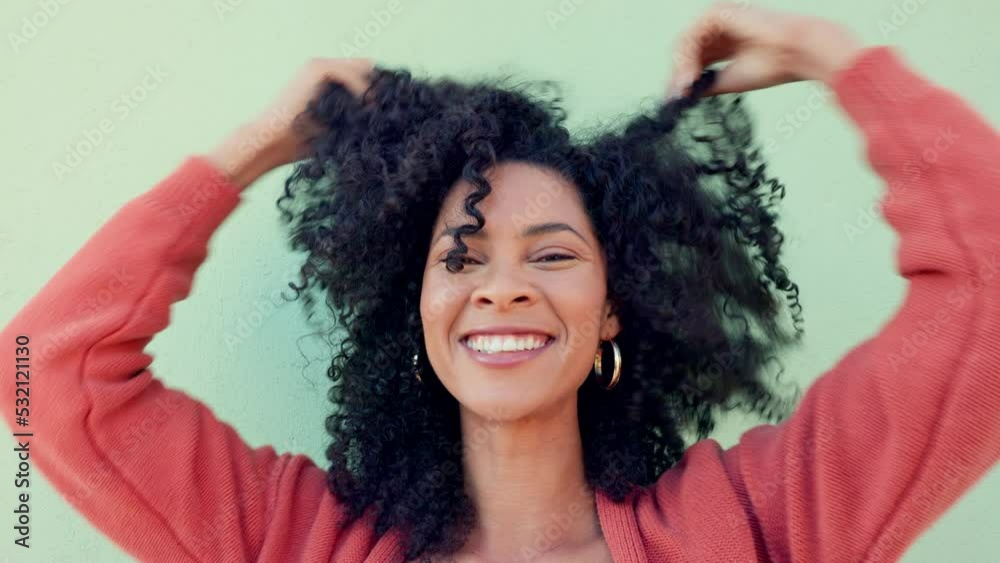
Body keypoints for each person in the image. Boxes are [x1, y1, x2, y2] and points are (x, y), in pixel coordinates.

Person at [2, 3, 999, 562]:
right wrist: (253, 147)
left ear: (614, 303)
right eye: (462, 258)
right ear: (419, 310)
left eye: (554, 253)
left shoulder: (755, 525)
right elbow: (34, 371)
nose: (503, 286)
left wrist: (840, 60)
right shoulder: (291, 539)